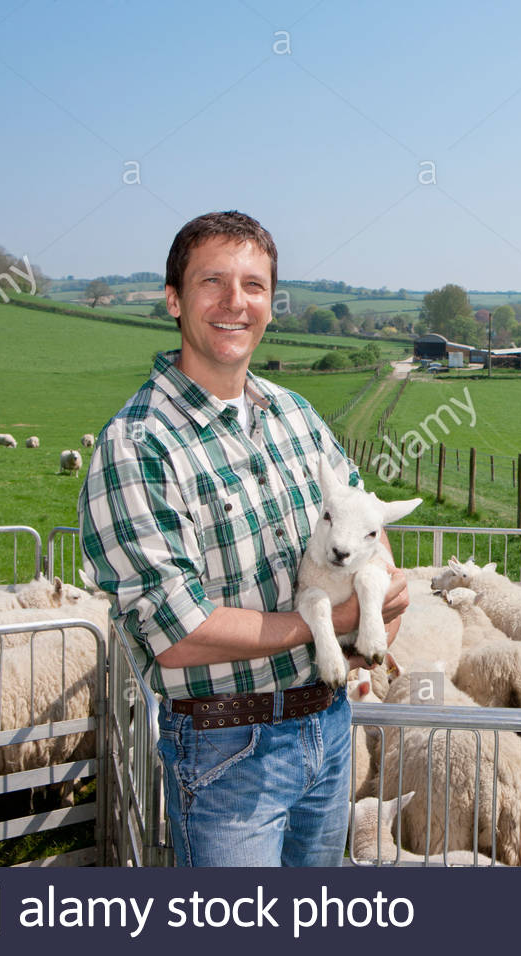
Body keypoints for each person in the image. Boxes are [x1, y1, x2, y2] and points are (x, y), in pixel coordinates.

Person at [78, 210, 408, 866]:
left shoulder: (296, 417)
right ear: (174, 300)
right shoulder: (138, 445)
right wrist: (330, 620)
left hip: (330, 727)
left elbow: (367, 529)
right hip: (229, 751)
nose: (236, 303)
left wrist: (374, 612)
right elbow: (177, 635)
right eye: (213, 282)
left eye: (254, 286)